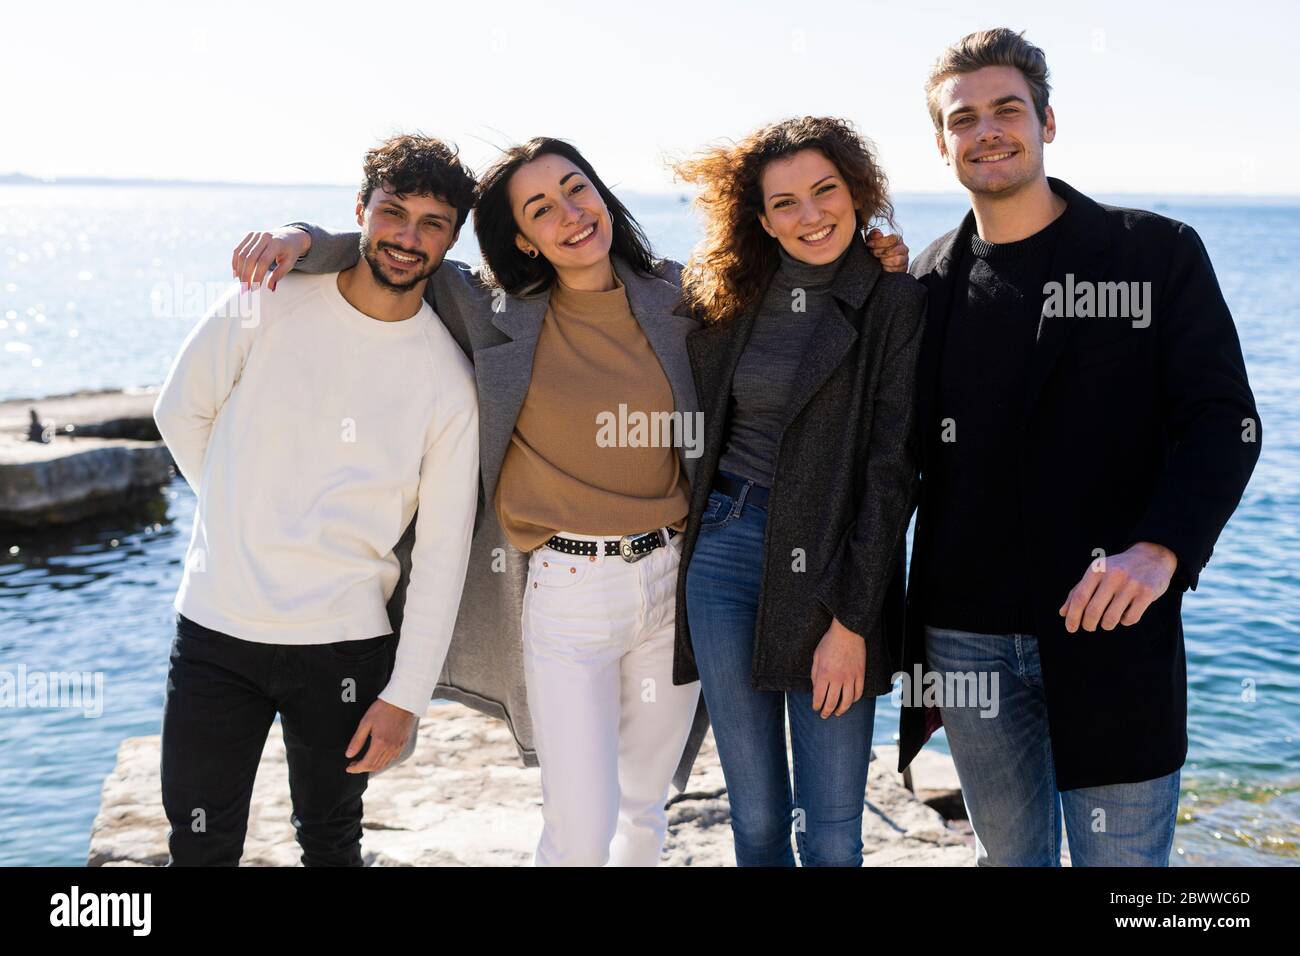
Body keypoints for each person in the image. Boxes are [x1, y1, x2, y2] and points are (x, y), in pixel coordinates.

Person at [235, 136, 911, 866]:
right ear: (522, 238)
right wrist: (303, 239)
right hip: (567, 593)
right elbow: (401, 253)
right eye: (540, 208)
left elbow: (793, 297)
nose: (570, 214)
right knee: (579, 830)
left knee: (644, 812)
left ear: (601, 192)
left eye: (576, 189)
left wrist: (874, 263)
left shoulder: (681, 296)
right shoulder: (494, 309)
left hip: (675, 582)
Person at [898, 28, 1263, 866]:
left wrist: (1164, 549)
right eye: (963, 118)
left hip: (1113, 623)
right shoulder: (921, 284)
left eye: (1006, 109)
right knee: (1010, 858)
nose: (986, 130)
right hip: (965, 639)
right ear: (942, 141)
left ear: (1047, 121)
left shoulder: (1155, 251)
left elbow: (1223, 421)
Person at [155, 134, 480, 865]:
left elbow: (443, 552)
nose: (407, 238)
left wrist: (406, 699)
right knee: (199, 846)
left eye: (432, 224)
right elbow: (180, 412)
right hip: (217, 631)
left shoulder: (449, 383)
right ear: (360, 211)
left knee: (332, 844)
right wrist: (245, 516)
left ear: (453, 238)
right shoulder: (265, 303)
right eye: (393, 214)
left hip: (346, 647)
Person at [671, 116, 924, 866]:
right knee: (753, 819)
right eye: (785, 203)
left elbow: (892, 472)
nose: (810, 216)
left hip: (831, 567)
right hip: (721, 551)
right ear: (760, 218)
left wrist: (852, 621)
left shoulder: (892, 300)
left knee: (835, 827)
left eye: (825, 192)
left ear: (857, 193)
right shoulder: (727, 291)